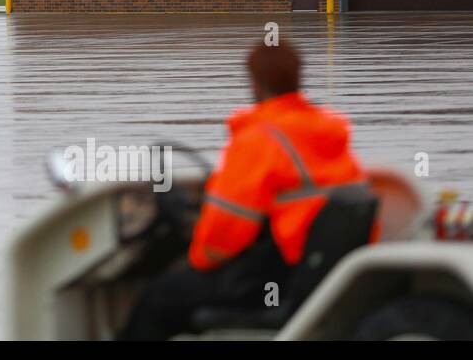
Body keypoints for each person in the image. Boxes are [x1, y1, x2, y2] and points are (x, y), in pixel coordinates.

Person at [119, 40, 369, 340]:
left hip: (268, 281)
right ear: (298, 77)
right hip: (307, 273)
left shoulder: (259, 139)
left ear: (255, 82)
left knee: (158, 297)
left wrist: (195, 261)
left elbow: (222, 235)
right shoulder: (325, 132)